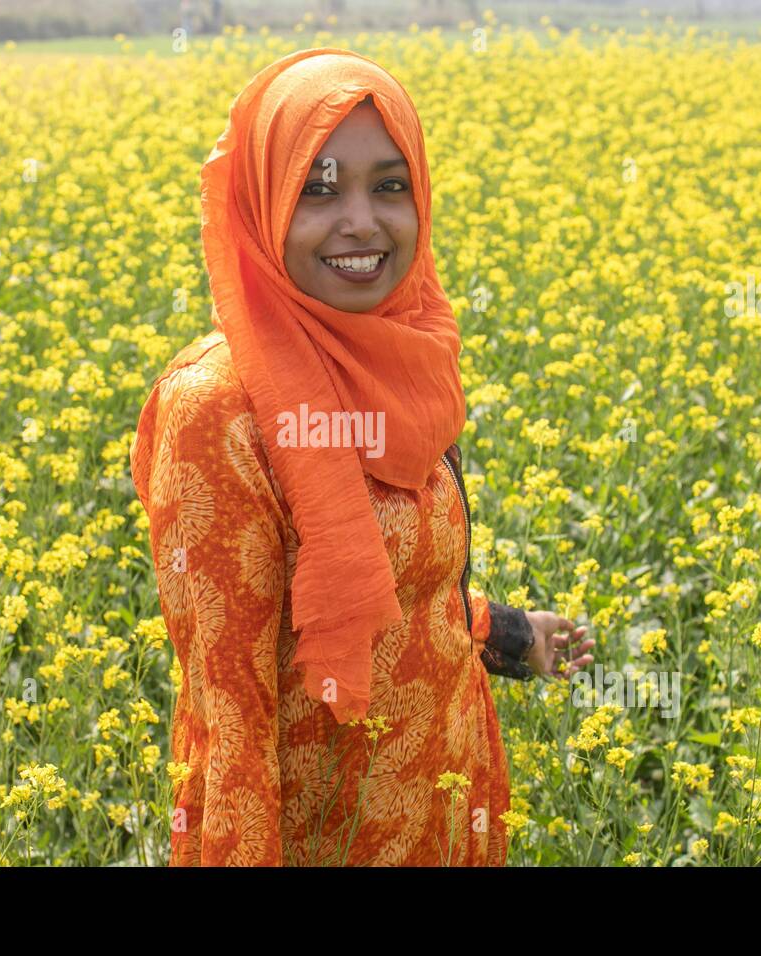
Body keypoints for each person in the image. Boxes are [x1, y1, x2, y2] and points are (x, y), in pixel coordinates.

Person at [130, 48, 594, 866]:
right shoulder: (220, 413)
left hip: (445, 824)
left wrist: (507, 634)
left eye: (389, 185)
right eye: (318, 188)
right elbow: (230, 732)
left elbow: (396, 596)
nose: (362, 222)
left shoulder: (405, 360)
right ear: (265, 202)